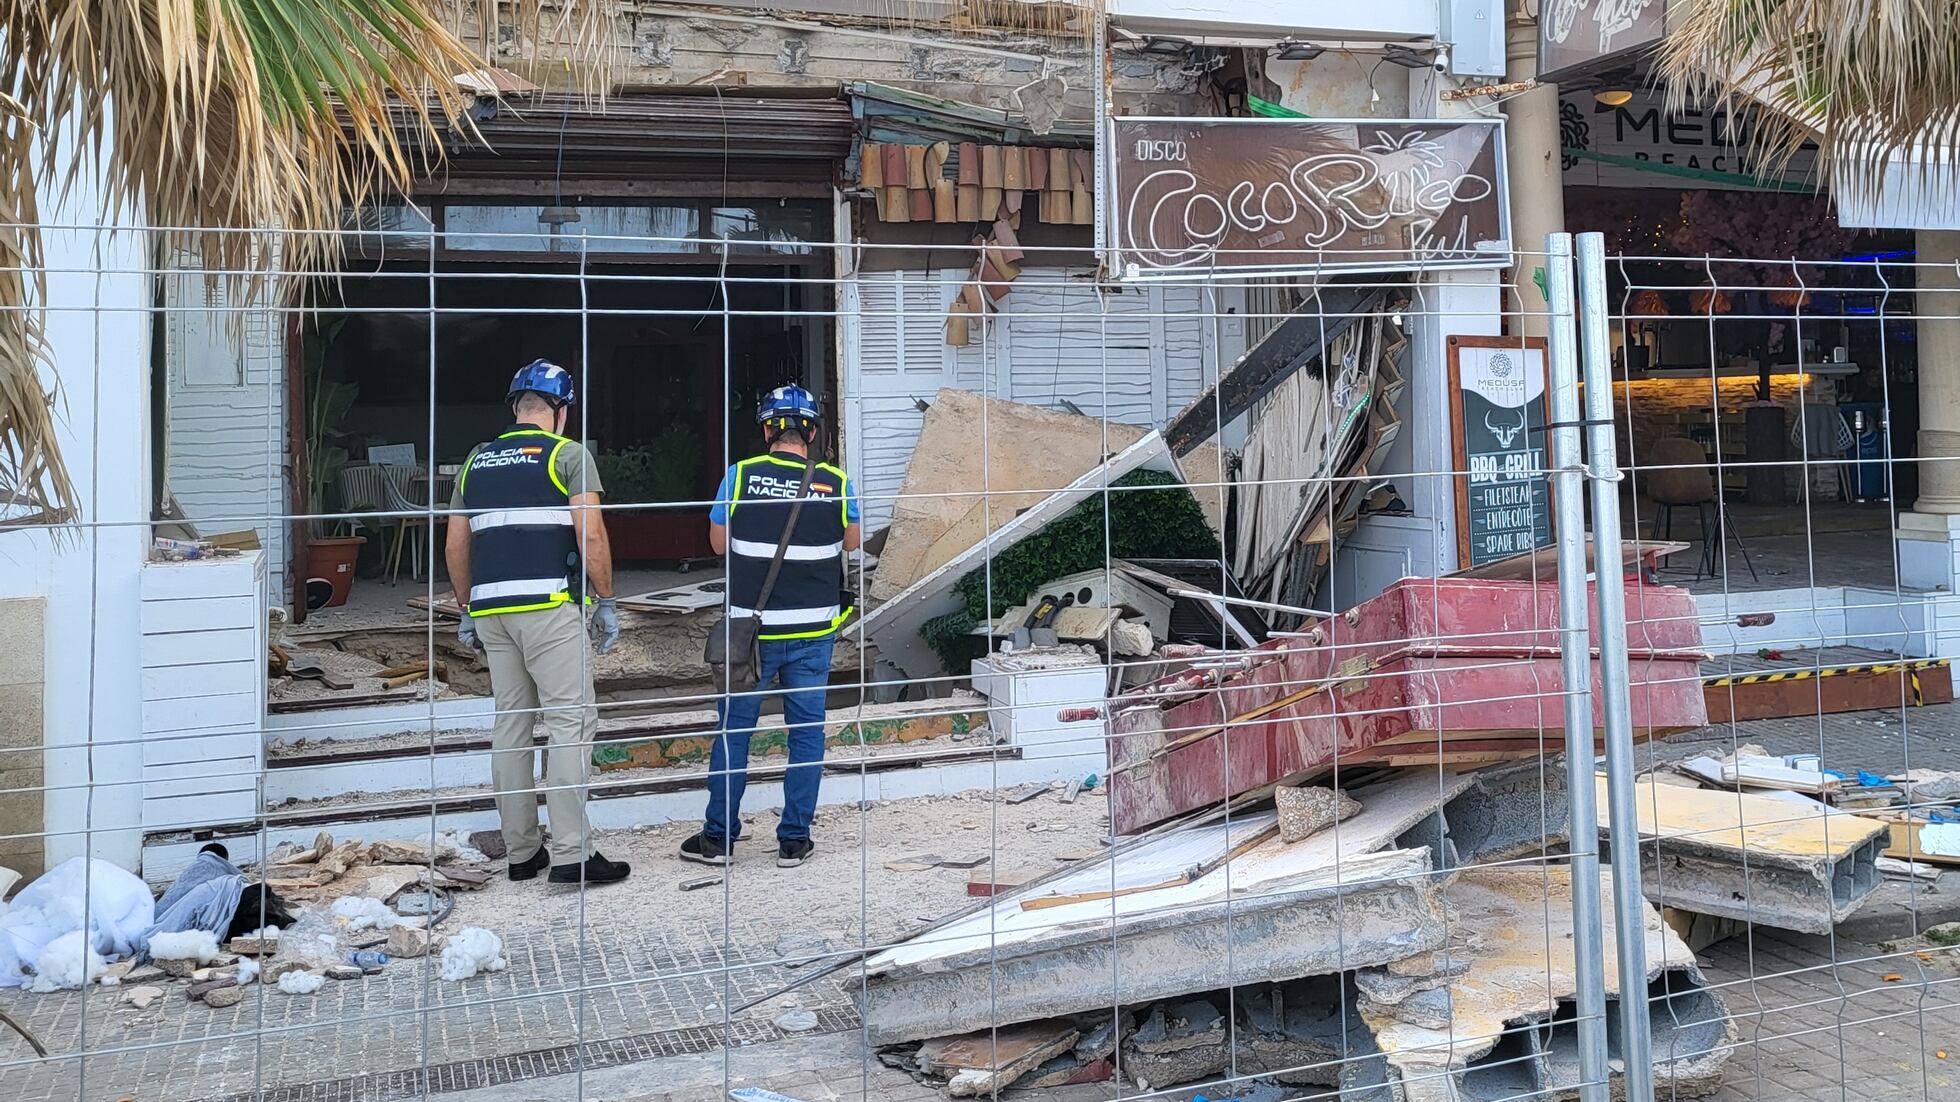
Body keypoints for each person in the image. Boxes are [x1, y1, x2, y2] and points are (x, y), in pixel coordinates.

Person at [444, 358, 630, 887]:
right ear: (561, 411)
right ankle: (572, 855)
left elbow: (457, 543)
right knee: (570, 723)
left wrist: (465, 608)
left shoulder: (476, 461)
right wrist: (607, 598)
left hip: (492, 613)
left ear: (515, 408)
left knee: (512, 724)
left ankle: (523, 853)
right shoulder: (568, 455)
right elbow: (590, 534)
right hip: (548, 607)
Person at [681, 384, 860, 869]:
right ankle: (794, 840)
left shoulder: (738, 477)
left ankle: (718, 840)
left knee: (733, 734)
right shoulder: (836, 481)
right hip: (811, 634)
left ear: (766, 430)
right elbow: (852, 542)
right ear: (814, 432)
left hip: (749, 637)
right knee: (805, 734)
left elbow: (718, 545)